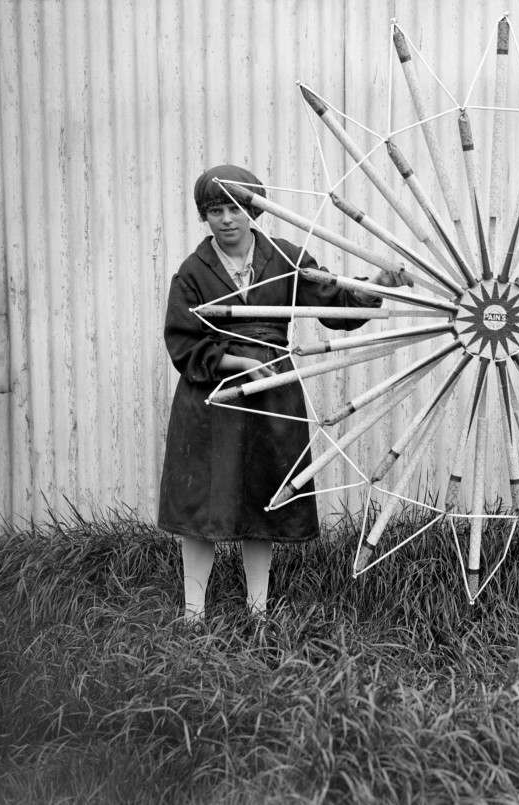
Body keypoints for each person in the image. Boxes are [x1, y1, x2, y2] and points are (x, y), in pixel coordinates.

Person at [158, 164, 406, 623]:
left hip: (273, 398)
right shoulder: (192, 272)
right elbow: (182, 340)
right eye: (216, 210)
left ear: (255, 210)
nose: (227, 219)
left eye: (236, 208)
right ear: (203, 217)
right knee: (201, 503)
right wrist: (239, 364)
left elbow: (335, 305)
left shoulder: (285, 257)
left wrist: (381, 284)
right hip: (211, 399)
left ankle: (259, 610)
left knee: (264, 497)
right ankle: (193, 615)